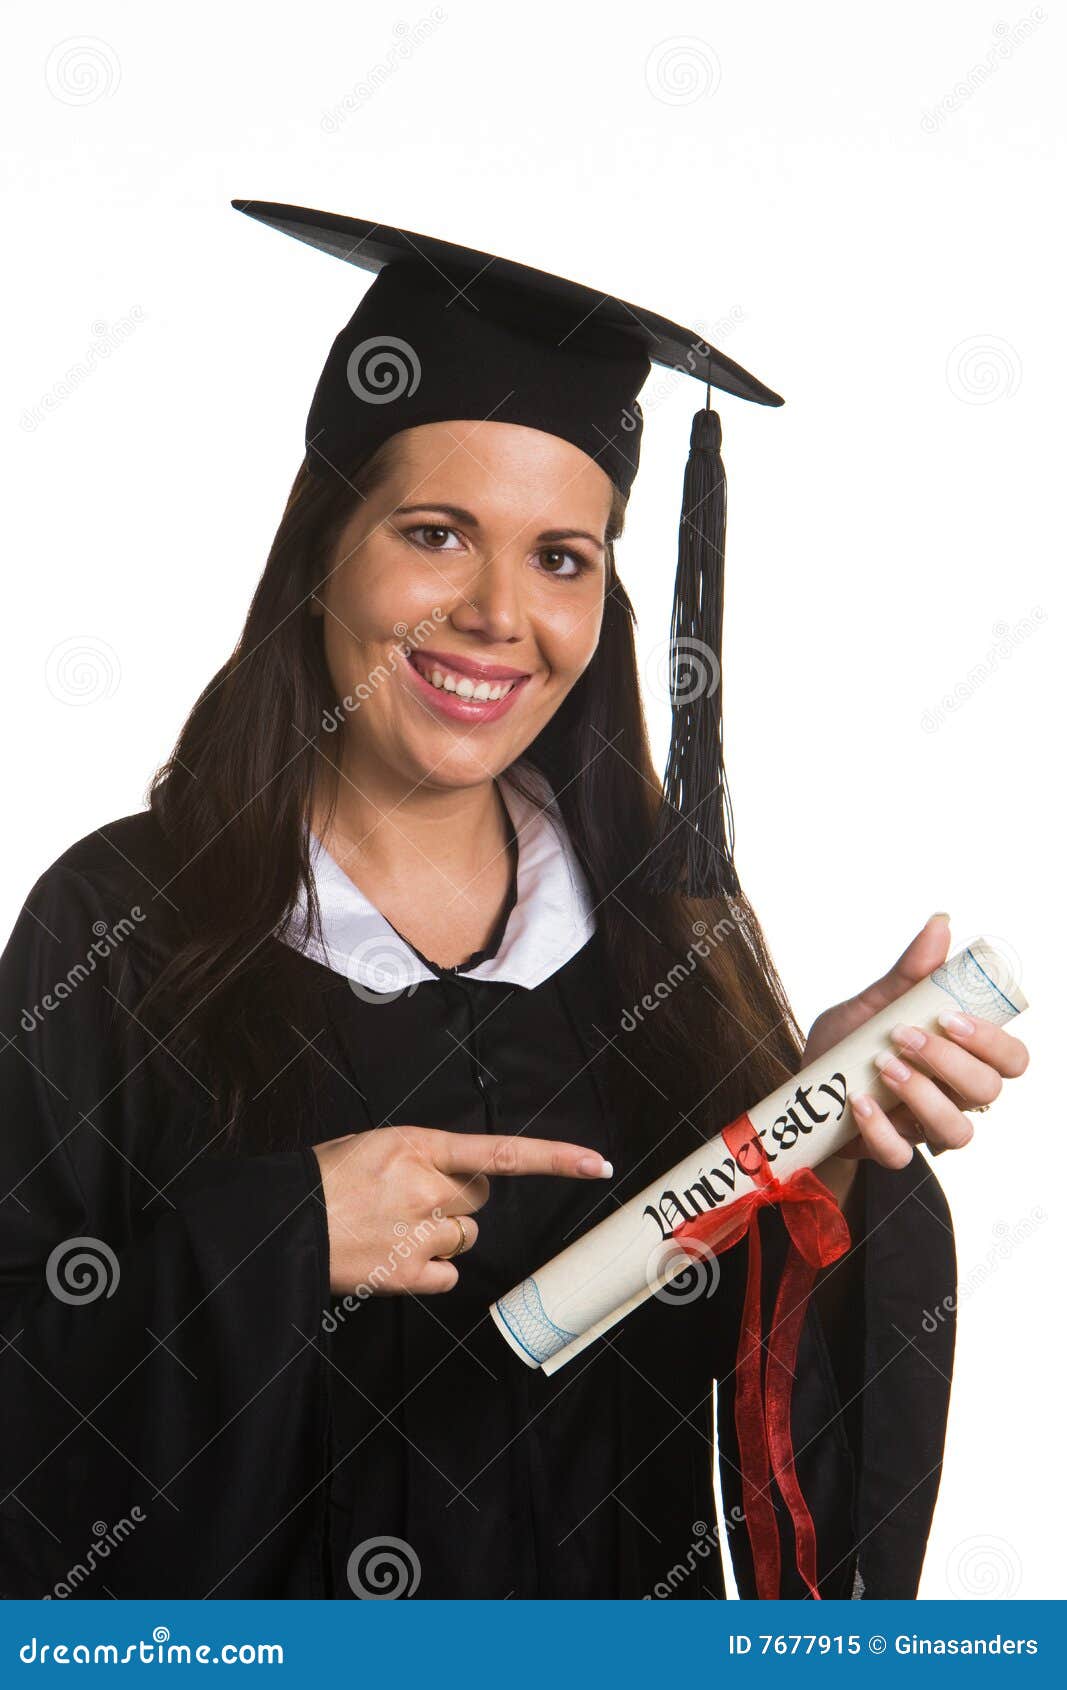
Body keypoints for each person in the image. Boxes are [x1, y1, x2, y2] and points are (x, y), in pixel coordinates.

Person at [0, 205, 1029, 1600]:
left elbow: (740, 1425)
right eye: (435, 533)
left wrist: (815, 1146)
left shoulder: (660, 934)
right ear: (324, 550)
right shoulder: (120, 928)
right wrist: (281, 1240)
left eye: (562, 556)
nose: (499, 612)